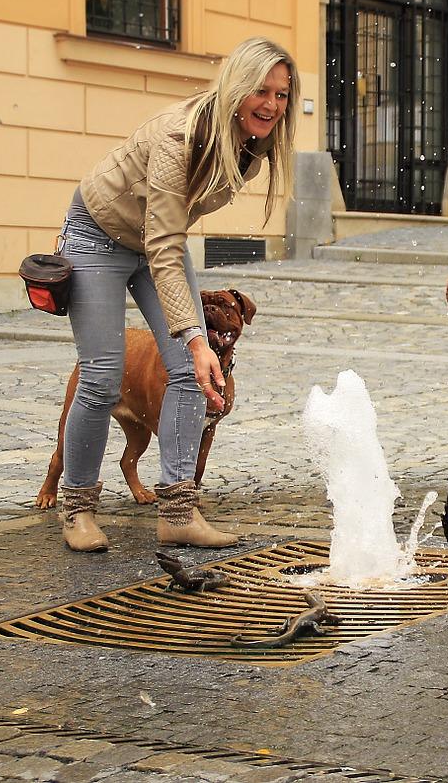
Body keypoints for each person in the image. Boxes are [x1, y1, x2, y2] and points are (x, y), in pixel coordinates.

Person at [54, 37, 298, 552]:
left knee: (189, 373)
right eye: (261, 90)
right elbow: (165, 242)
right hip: (99, 233)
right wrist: (194, 335)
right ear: (235, 86)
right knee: (100, 375)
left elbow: (166, 234)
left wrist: (190, 346)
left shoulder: (253, 145)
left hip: (154, 238)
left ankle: (178, 512)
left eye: (281, 94)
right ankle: (76, 510)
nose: (272, 104)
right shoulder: (177, 136)